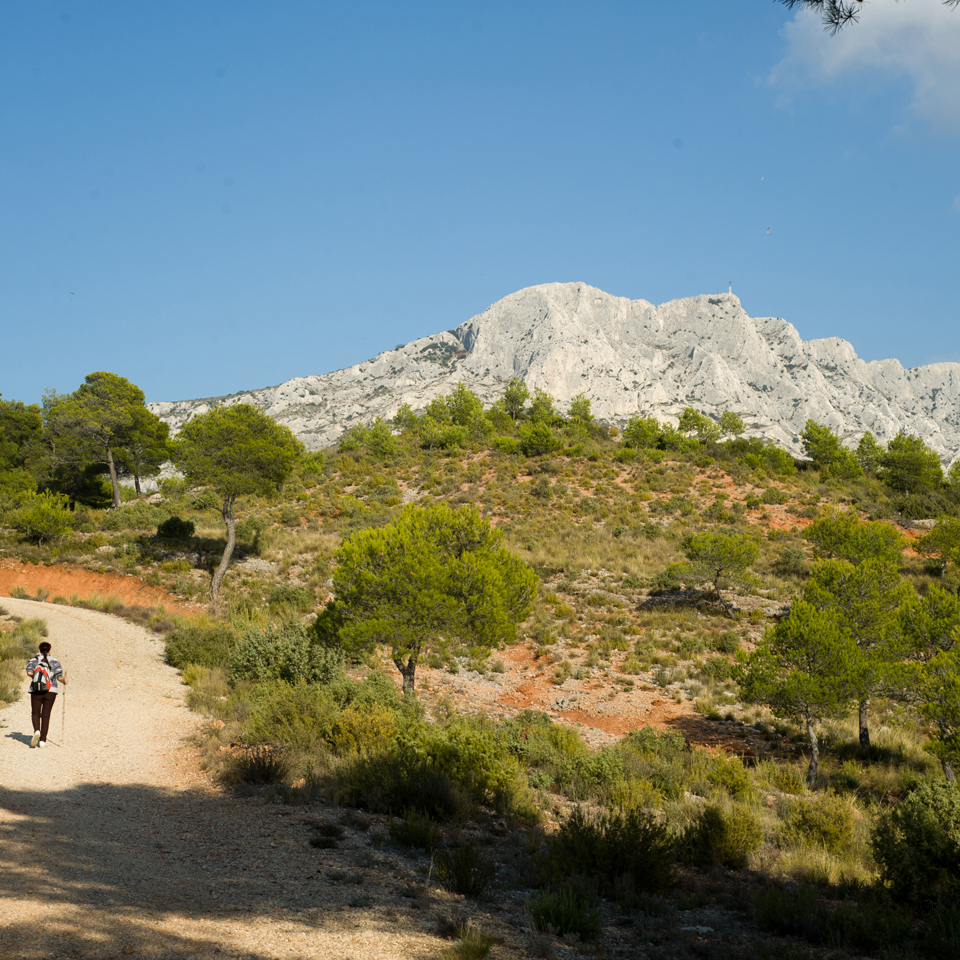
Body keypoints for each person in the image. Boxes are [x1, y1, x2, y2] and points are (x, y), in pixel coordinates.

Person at [26, 641, 67, 748]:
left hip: (36, 690)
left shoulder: (33, 660)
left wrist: (37, 677)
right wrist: (64, 681)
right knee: (46, 715)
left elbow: (29, 672)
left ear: (39, 650)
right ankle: (42, 741)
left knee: (35, 713)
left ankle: (37, 730)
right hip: (51, 691)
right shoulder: (55, 661)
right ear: (50, 650)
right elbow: (59, 677)